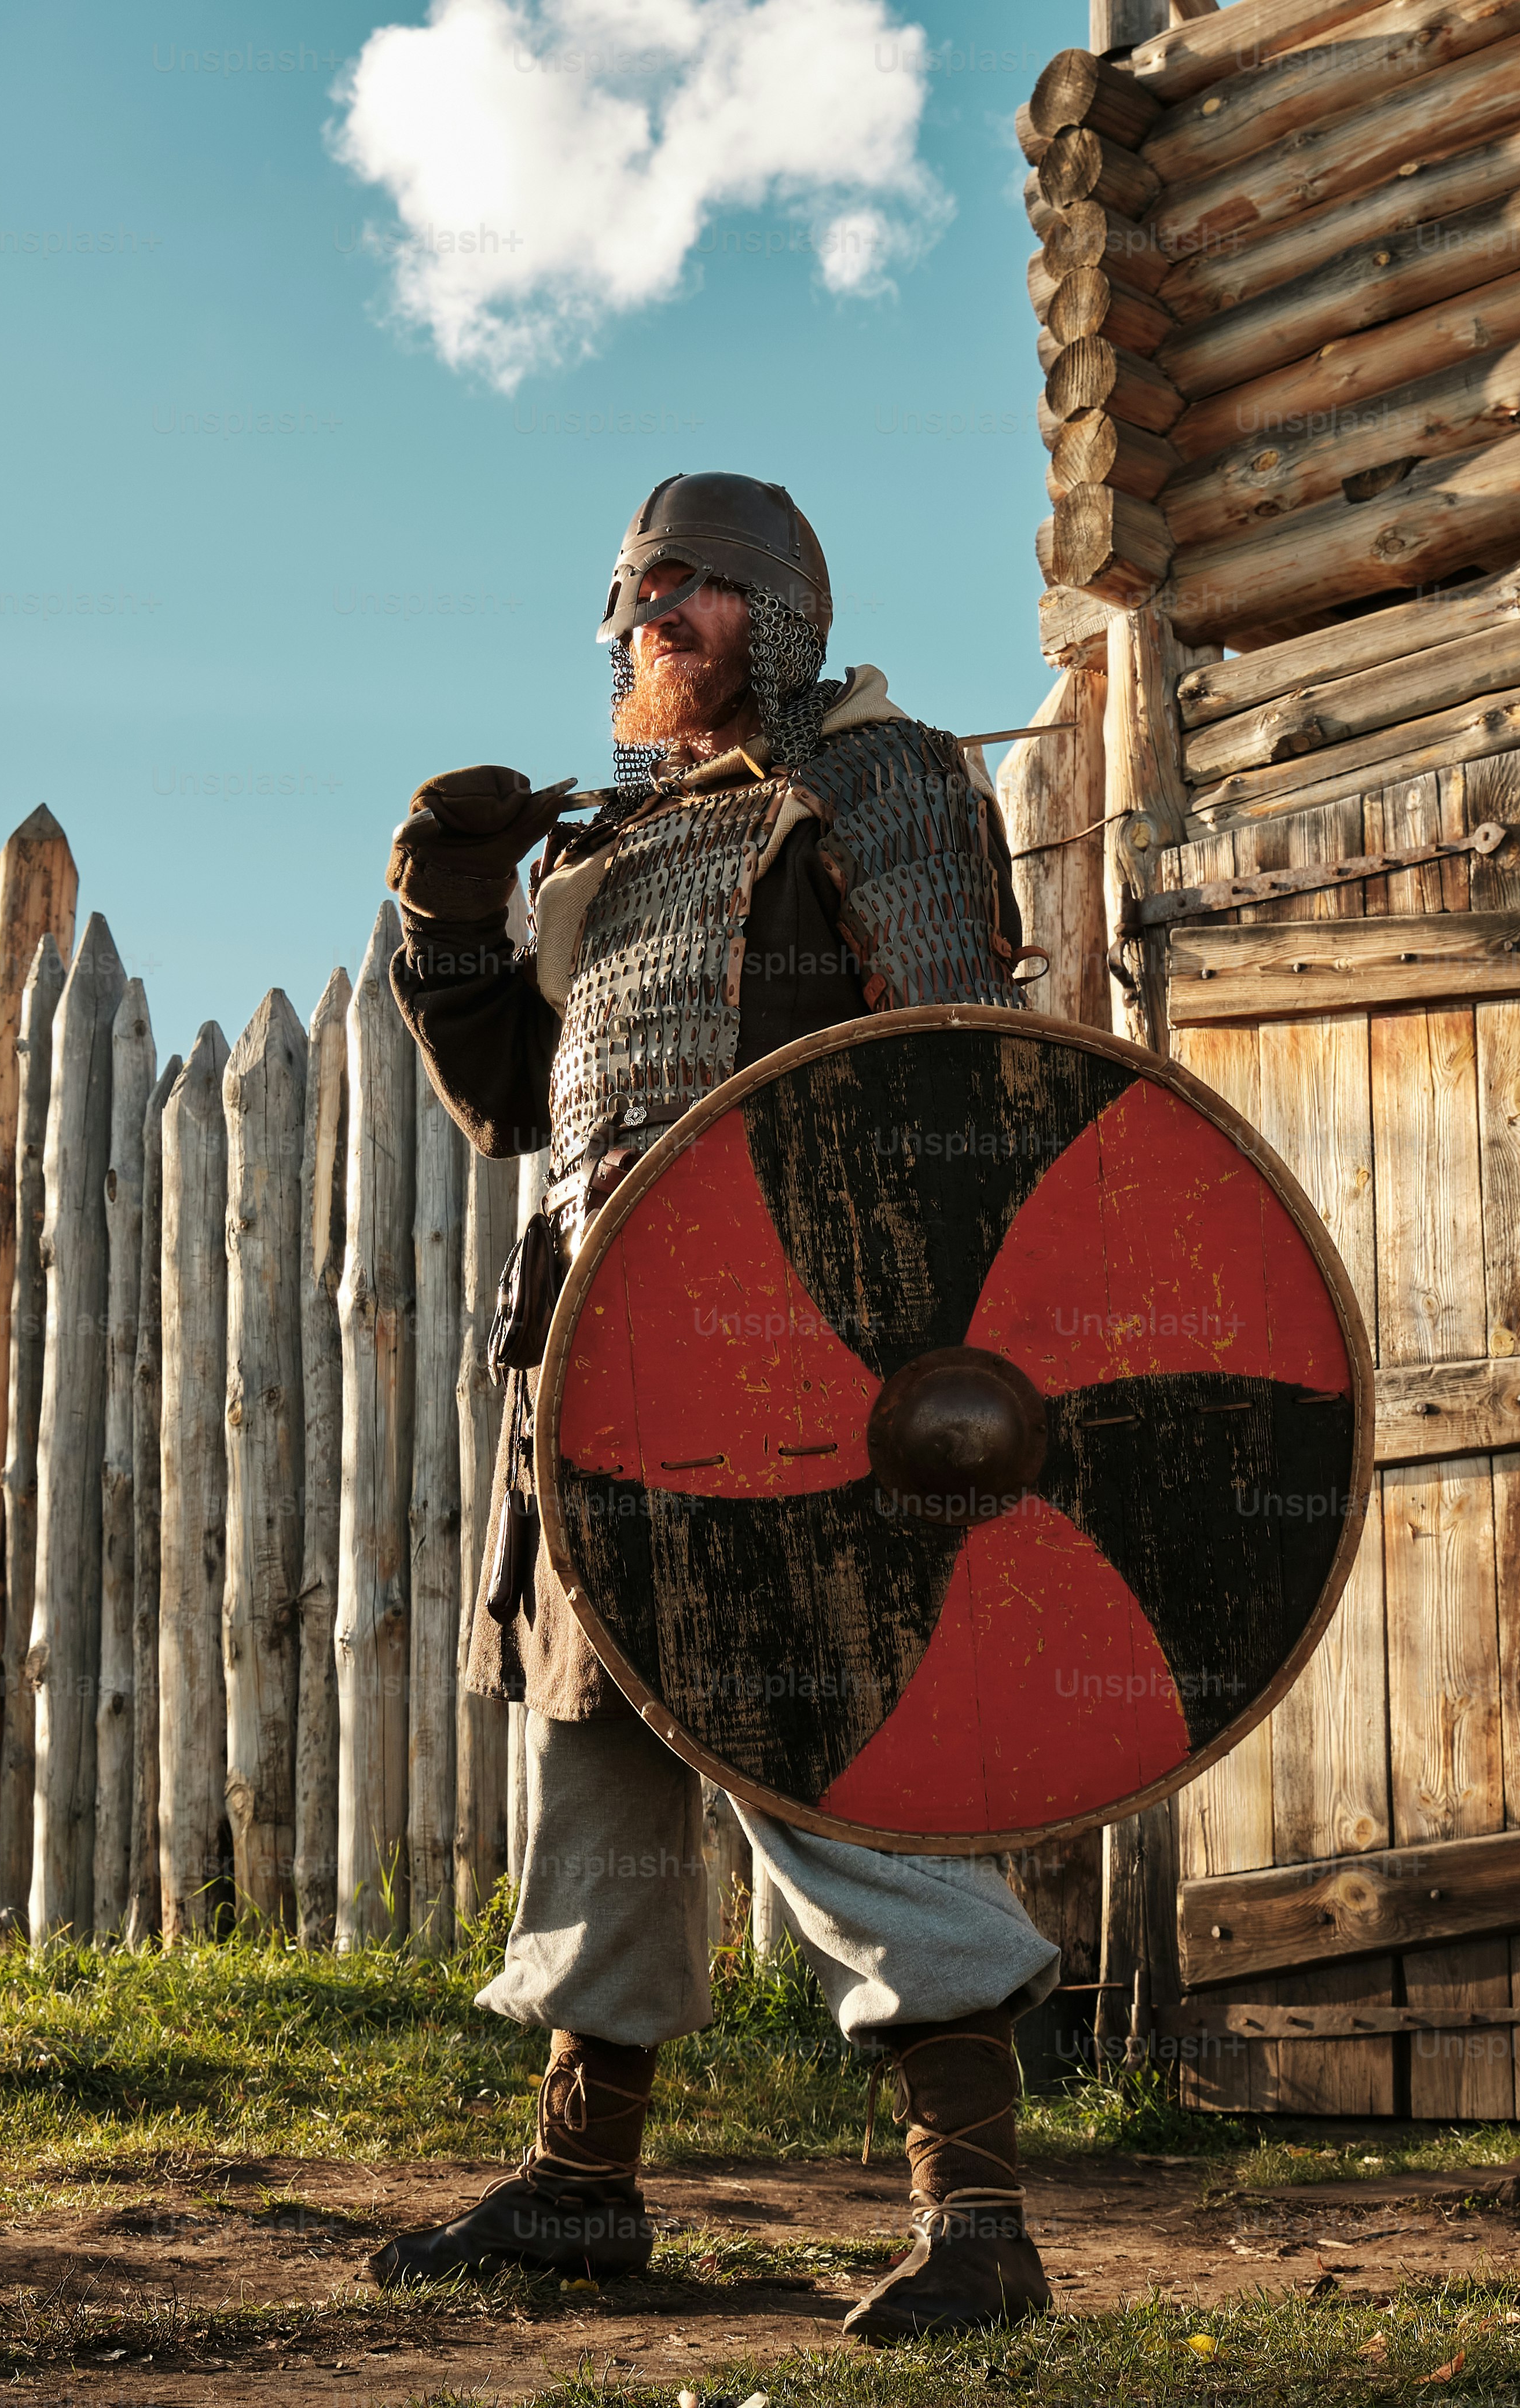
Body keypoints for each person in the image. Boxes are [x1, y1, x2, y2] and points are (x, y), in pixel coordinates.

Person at [365, 472, 1059, 2342]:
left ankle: (980, 2222)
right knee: (598, 1765)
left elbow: (955, 1070)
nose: (654, 609)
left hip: (794, 1353)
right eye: (635, 587)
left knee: (832, 1753)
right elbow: (516, 1101)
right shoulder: (623, 840)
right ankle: (583, 2189)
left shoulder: (884, 780)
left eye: (697, 583)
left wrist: (891, 1338)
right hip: (593, 1349)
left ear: (785, 609)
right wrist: (442, 908)